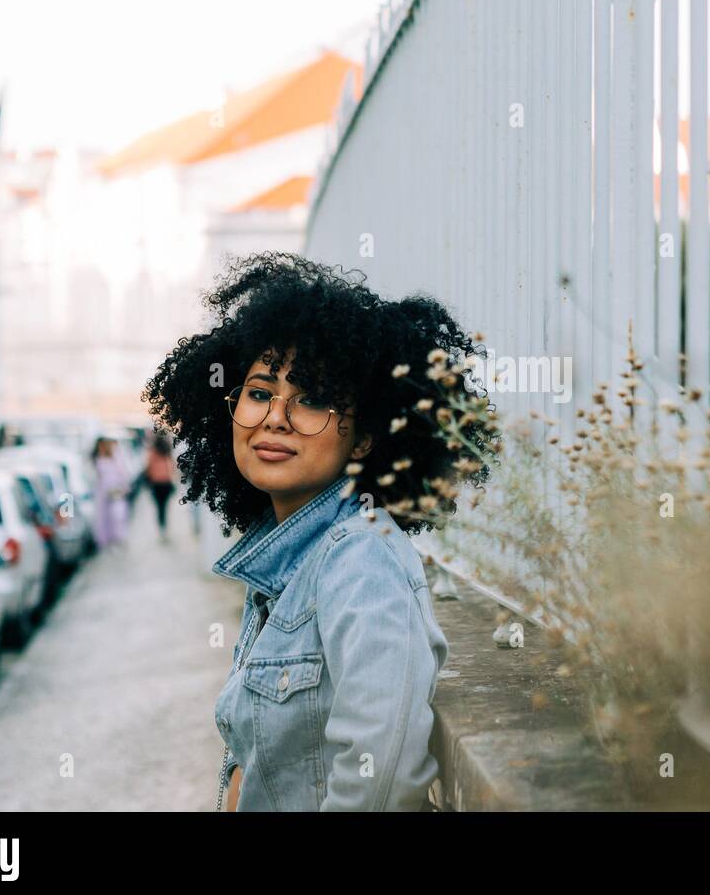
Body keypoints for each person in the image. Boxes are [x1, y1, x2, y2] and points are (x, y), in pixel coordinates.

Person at [142, 252, 494, 811]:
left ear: (363, 439)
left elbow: (380, 780)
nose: (275, 417)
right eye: (259, 392)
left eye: (311, 400)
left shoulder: (361, 563)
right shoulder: (289, 566)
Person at [90, 437, 131, 548]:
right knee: (104, 517)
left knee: (117, 514)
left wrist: (123, 487)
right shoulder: (96, 459)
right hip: (102, 492)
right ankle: (107, 540)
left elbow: (122, 473)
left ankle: (119, 538)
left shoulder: (114, 458)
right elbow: (94, 476)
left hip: (115, 490)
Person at [145, 432, 177, 543]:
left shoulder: (153, 452)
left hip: (156, 484)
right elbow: (172, 467)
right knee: (164, 507)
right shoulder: (167, 451)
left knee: (159, 508)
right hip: (166, 483)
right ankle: (165, 529)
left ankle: (162, 530)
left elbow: (149, 468)